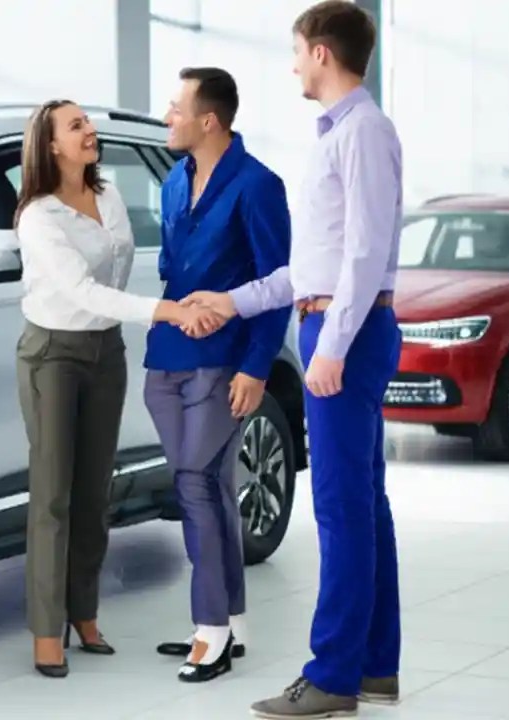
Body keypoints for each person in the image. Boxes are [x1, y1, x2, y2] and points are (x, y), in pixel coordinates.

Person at [181, 2, 404, 716]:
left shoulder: (362, 132)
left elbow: (365, 255)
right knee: (364, 506)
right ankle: (373, 666)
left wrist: (331, 346)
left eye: (297, 52)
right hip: (339, 323)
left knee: (341, 510)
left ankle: (334, 677)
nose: (293, 65)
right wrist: (233, 299)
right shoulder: (341, 134)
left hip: (348, 332)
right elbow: (305, 270)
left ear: (322, 53)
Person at [12, 99, 222, 679]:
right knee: (53, 494)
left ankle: (84, 612)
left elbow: (119, 266)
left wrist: (139, 313)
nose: (89, 131)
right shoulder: (38, 215)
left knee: (93, 490)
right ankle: (46, 630)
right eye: (76, 126)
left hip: (106, 352)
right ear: (51, 144)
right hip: (53, 353)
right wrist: (165, 312)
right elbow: (81, 290)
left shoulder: (105, 196)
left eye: (87, 122)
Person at [146, 67, 291, 684]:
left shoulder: (259, 185)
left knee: (195, 483)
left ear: (209, 119)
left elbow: (279, 283)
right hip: (166, 359)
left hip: (223, 361)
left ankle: (210, 632)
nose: (167, 117)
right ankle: (228, 619)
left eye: (176, 108)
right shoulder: (174, 182)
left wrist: (256, 367)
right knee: (209, 486)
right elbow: (169, 264)